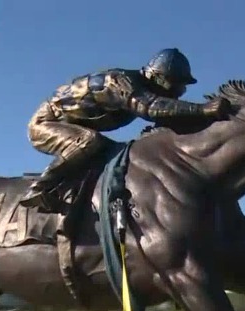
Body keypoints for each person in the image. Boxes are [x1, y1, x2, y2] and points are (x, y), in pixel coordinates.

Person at [19, 48, 232, 211]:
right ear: (157, 77)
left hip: (74, 125)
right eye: (176, 84)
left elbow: (165, 116)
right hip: (45, 123)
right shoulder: (120, 82)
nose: (180, 91)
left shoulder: (142, 88)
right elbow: (150, 107)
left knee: (111, 152)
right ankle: (41, 188)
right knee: (88, 141)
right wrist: (202, 109)